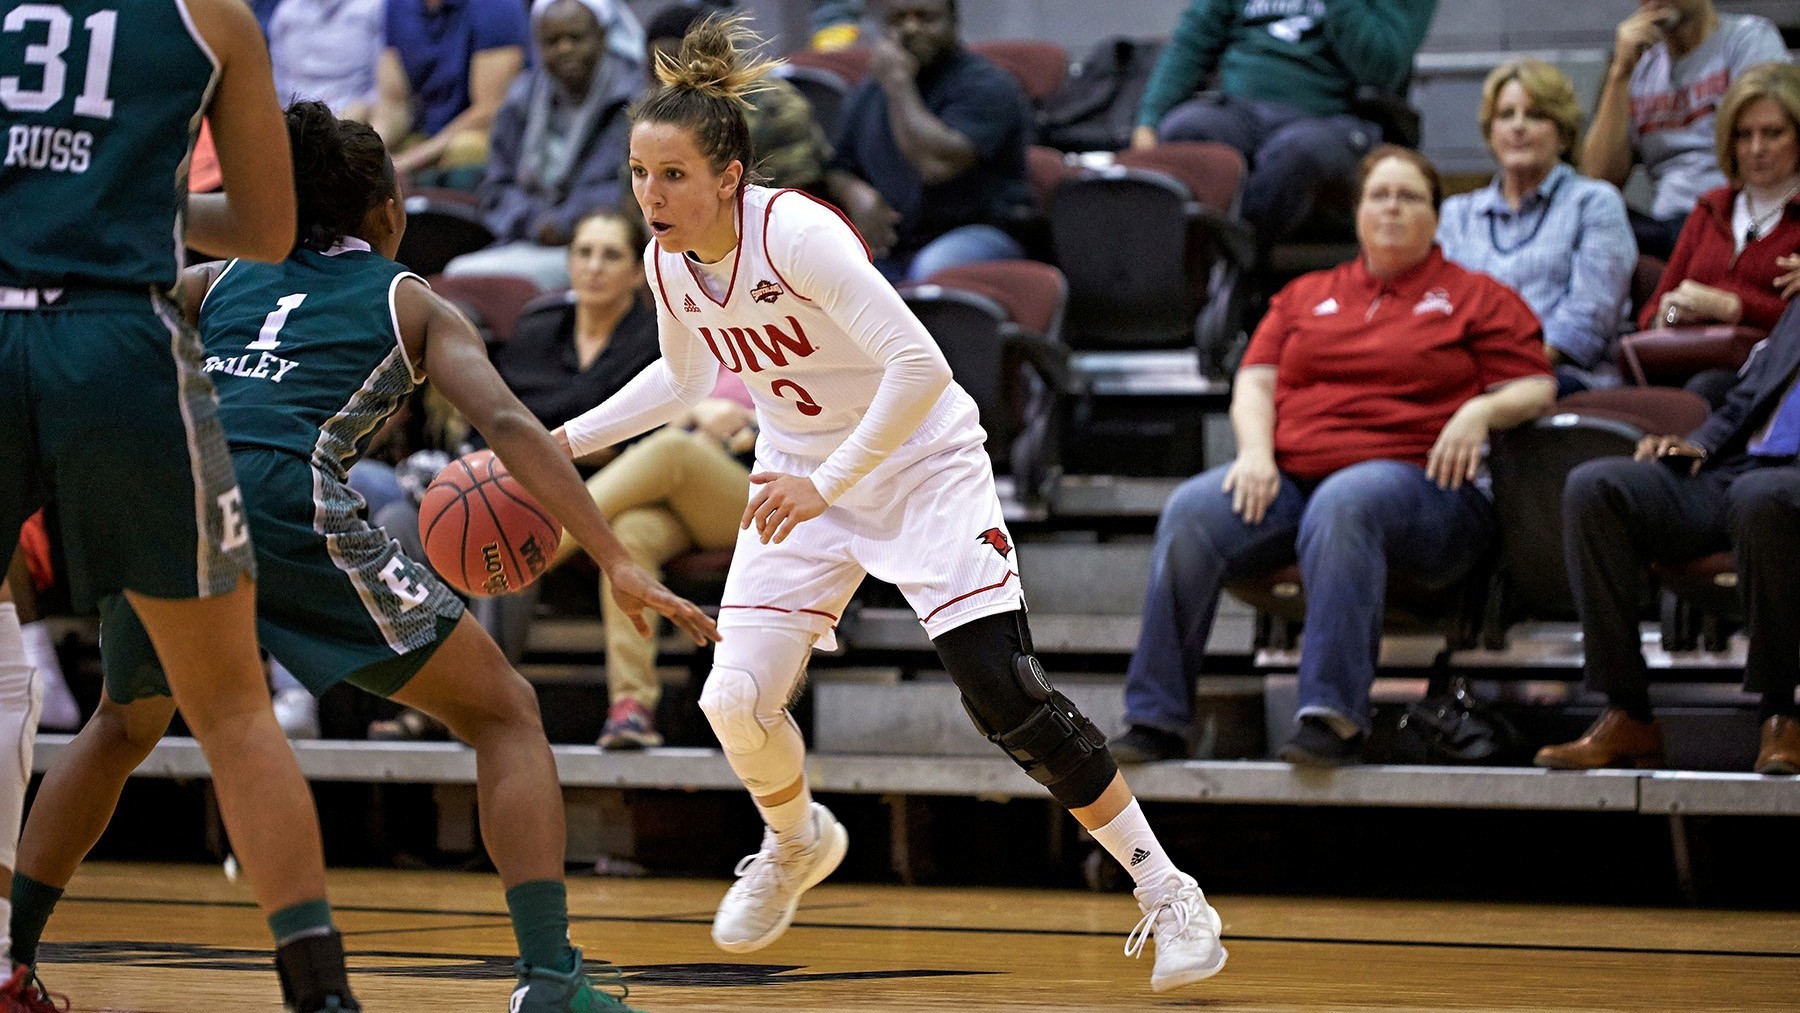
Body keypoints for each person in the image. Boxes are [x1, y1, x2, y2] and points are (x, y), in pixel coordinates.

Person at [559, 14, 1227, 993]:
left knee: (1003, 692)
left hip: (917, 463)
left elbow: (922, 366)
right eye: (637, 174)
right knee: (731, 699)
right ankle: (797, 838)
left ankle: (1169, 890)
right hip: (803, 473)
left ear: (729, 177)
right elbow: (684, 376)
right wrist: (560, 440)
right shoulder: (668, 262)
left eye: (671, 176)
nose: (649, 197)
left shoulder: (795, 235)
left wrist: (827, 483)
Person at [9, 101, 718, 1013]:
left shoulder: (214, 279)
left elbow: (107, 337)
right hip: (283, 499)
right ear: (388, 212)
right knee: (504, 711)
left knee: (120, 725)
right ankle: (550, 977)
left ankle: (11, 959)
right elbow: (507, 424)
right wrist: (614, 555)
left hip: (169, 491)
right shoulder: (407, 297)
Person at [0, 0, 355, 1008]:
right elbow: (268, 230)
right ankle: (321, 992)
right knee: (234, 707)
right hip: (119, 344)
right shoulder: (212, 17)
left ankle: (4, 958)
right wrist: (127, 200)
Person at [1109, 146, 1555, 767]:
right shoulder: (1306, 294)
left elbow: (1537, 386)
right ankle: (1155, 718)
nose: (1392, 208)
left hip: (1427, 493)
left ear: (1436, 216)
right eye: (1380, 195)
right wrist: (1255, 454)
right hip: (1293, 482)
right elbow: (1256, 382)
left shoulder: (1475, 296)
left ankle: (1333, 717)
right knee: (1192, 511)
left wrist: (1479, 411)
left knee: (1346, 501)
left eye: (1409, 197)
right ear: (1357, 212)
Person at [1538, 298, 1800, 774]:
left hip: (1778, 487)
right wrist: (1696, 445)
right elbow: (1745, 399)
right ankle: (1628, 713)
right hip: (1741, 468)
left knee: (1760, 497)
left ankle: (1781, 713)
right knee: (1597, 487)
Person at [1133, 0, 1438, 250]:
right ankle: (1199, 275)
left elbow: (1383, 68)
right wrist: (1150, 120)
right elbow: (1191, 42)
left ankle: (1239, 263)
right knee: (1183, 130)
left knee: (1295, 154)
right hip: (1240, 108)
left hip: (1335, 117)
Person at [1437, 59, 1637, 397]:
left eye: (1535, 115)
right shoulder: (1456, 215)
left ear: (1563, 135)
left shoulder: (1594, 202)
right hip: (1471, 379)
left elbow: (1586, 323)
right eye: (1506, 115)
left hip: (1566, 380)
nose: (1518, 126)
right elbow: (1438, 309)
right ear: (1490, 134)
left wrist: (1502, 374)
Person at [824, 0, 1032, 282]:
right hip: (895, 242)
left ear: (953, 22)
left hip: (977, 233)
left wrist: (899, 85)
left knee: (930, 269)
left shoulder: (987, 84)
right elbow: (836, 167)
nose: (910, 28)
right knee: (829, 271)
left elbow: (935, 165)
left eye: (926, 18)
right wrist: (856, 194)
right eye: (898, 19)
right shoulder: (868, 91)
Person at [443, 0, 644, 289]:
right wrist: (535, 222)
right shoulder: (519, 98)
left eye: (576, 38)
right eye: (552, 41)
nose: (565, 48)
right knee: (459, 275)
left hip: (600, 244)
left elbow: (631, 188)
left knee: (472, 279)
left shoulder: (633, 101)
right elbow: (495, 188)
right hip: (524, 237)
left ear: (602, 36)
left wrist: (564, 223)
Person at [1580, 0, 1789, 259]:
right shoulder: (1639, 64)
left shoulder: (1748, 40)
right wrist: (1620, 73)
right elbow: (1598, 182)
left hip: (1733, 213)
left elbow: (1767, 149)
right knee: (1591, 224)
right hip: (1667, 226)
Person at [1637, 62, 1800, 336]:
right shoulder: (1712, 208)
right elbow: (1653, 313)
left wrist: (1735, 308)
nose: (1757, 148)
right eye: (1744, 135)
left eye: (1773, 133)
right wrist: (1671, 316)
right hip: (1691, 355)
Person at [643, 2, 833, 197]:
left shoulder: (774, 106)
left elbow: (798, 194)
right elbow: (634, 195)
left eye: (676, 64)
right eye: (655, 67)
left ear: (709, 60)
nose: (666, 81)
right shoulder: (649, 114)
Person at [375, 0, 531, 183]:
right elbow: (393, 104)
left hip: (483, 136)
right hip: (425, 133)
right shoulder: (397, 5)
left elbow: (491, 109)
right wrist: (366, 151)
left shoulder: (498, 6)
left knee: (465, 147)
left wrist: (412, 160)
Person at [266, 0, 386, 122]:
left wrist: (354, 116)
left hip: (352, 119)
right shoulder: (287, 11)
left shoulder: (375, 8)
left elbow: (384, 88)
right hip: (293, 120)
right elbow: (278, 82)